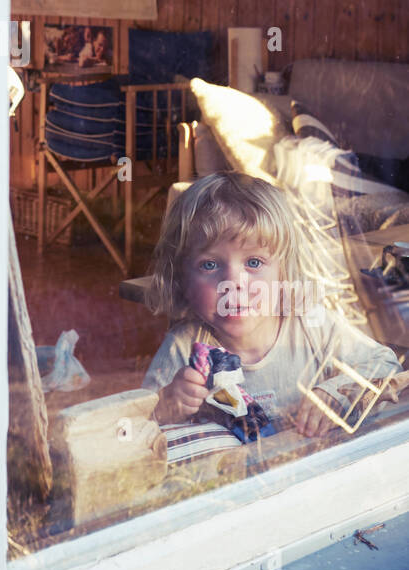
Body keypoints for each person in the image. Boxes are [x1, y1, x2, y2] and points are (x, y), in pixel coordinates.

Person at [142, 172, 402, 436]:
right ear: (182, 279)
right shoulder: (182, 348)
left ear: (283, 272)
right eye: (209, 265)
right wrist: (163, 409)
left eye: (254, 262)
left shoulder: (311, 325)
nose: (234, 282)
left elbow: (386, 364)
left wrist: (337, 392)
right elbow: (136, 429)